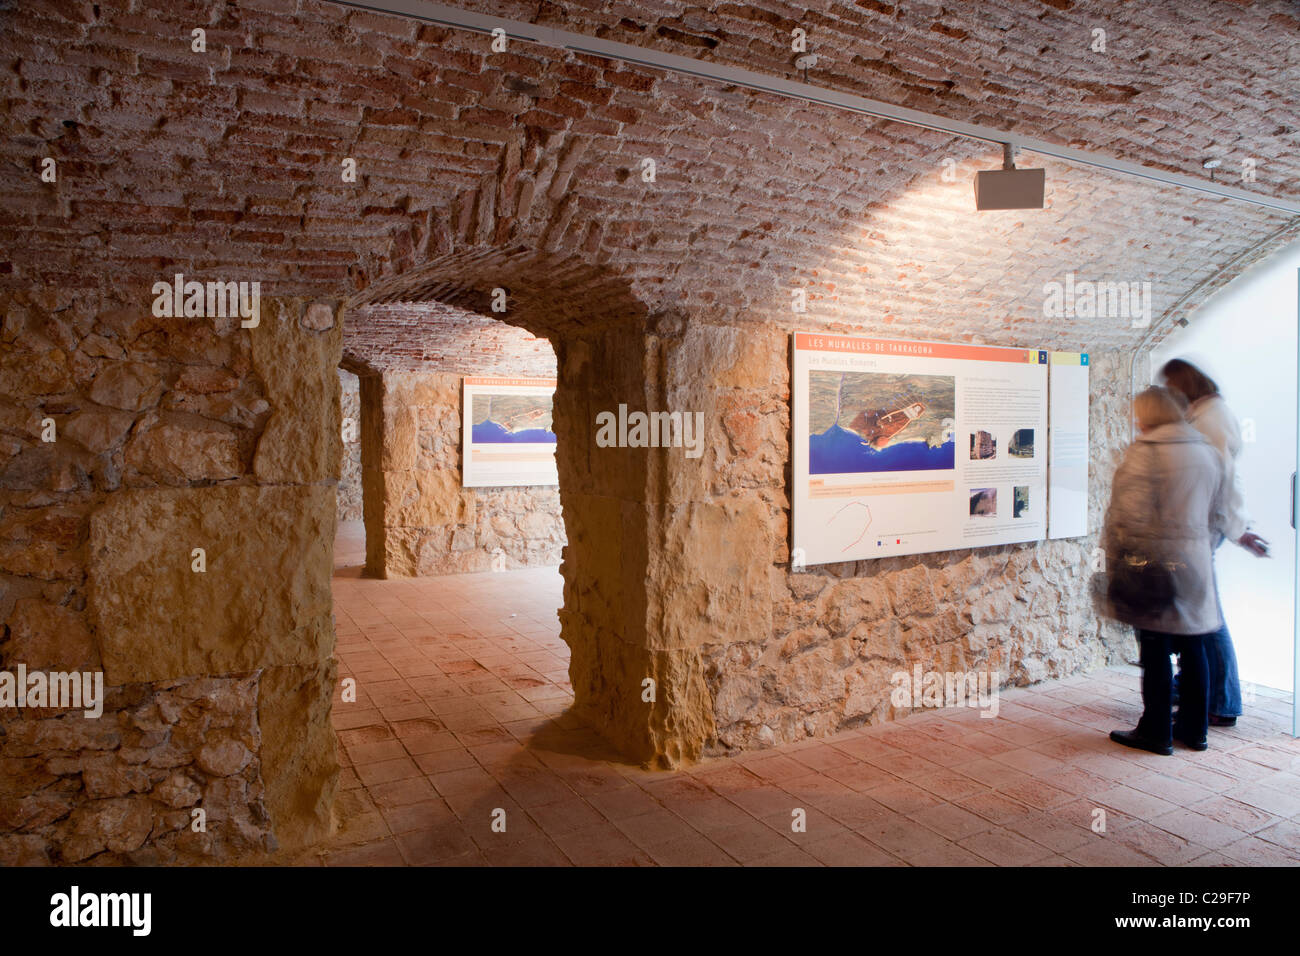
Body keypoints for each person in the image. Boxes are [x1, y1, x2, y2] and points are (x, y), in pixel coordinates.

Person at [1103, 386, 1228, 755]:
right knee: (1194, 646)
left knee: (1156, 649)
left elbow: (1129, 516)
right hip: (1197, 560)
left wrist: (1119, 557)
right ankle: (1195, 730)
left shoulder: (1147, 452)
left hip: (1157, 561)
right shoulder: (1205, 450)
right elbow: (1218, 511)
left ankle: (1155, 730)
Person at [1160, 359, 1268, 727]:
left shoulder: (1211, 418)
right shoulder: (1207, 414)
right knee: (1200, 614)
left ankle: (1221, 701)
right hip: (1197, 526)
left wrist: (1239, 529)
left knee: (1207, 617)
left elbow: (1225, 479)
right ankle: (1197, 688)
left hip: (1199, 528)